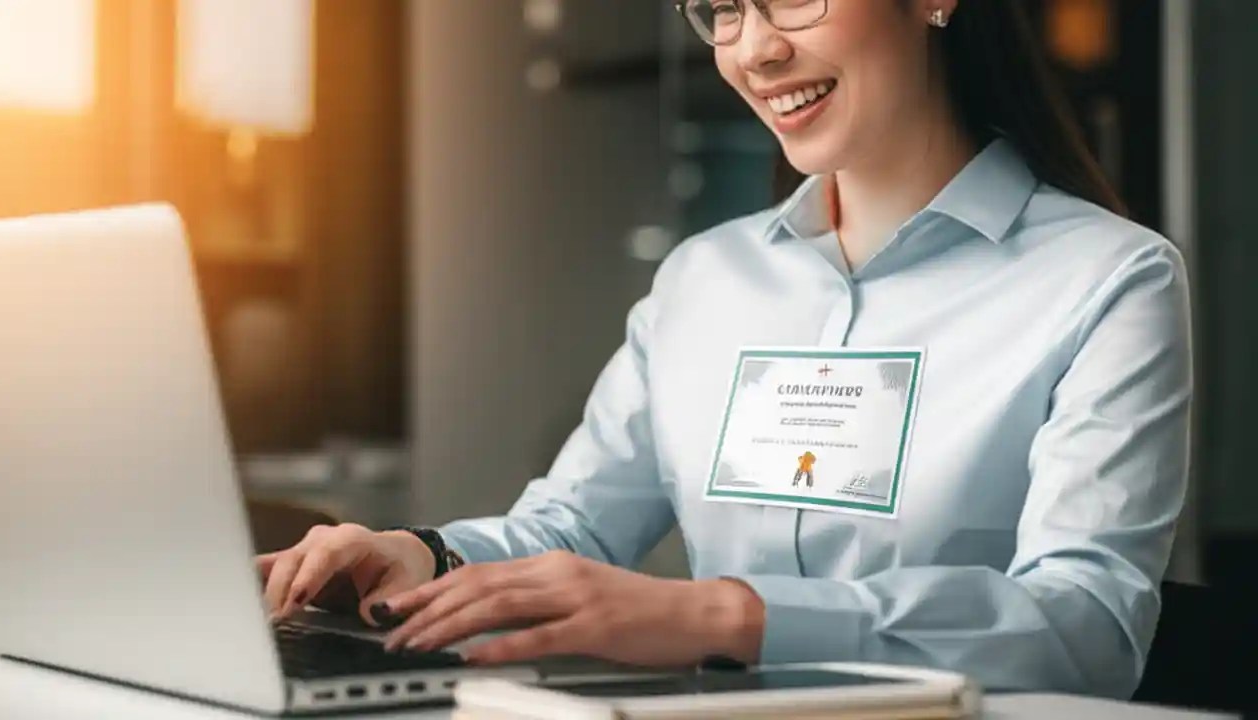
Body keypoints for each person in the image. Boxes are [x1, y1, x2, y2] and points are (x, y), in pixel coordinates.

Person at [258, 0, 1191, 698]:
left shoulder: (1109, 278)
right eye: (722, 9)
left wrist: (719, 615)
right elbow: (570, 530)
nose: (753, 47)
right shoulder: (706, 277)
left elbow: (1086, 627)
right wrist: (423, 557)